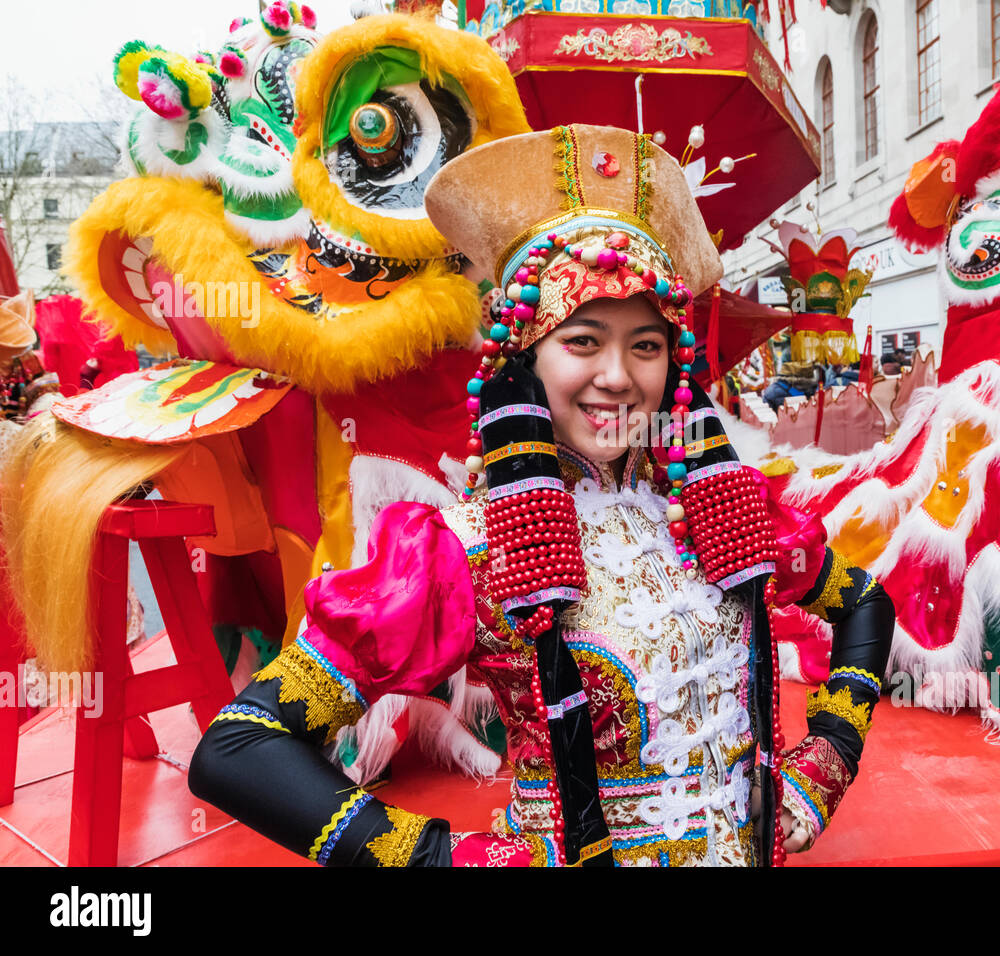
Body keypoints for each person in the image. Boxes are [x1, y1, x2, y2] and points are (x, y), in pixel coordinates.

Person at [189, 124, 894, 867]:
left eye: (645, 345)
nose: (618, 376)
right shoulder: (466, 548)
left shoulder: (722, 507)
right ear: (525, 358)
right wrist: (439, 858)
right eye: (584, 341)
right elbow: (239, 748)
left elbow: (865, 602)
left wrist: (823, 766)